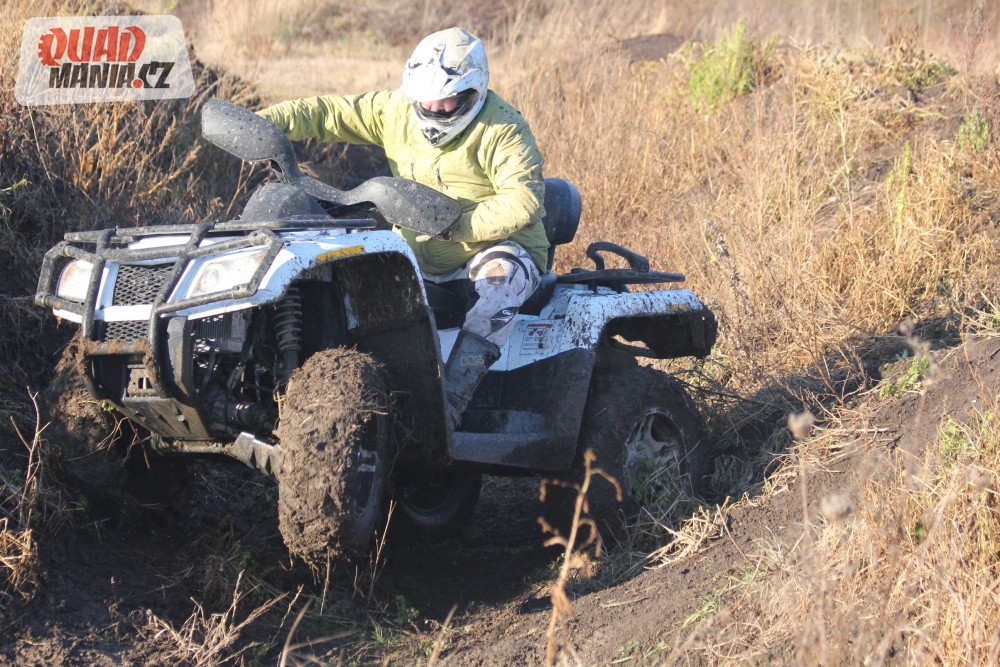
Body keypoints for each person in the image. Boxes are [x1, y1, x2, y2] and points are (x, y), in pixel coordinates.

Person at [258, 27, 549, 431]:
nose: (434, 108)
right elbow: (328, 112)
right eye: (426, 100)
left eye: (447, 101)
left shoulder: (504, 128)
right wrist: (264, 125)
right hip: (417, 248)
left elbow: (525, 201)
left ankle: (451, 403)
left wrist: (455, 227)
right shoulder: (394, 110)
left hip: (497, 247)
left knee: (499, 287)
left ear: (474, 92)